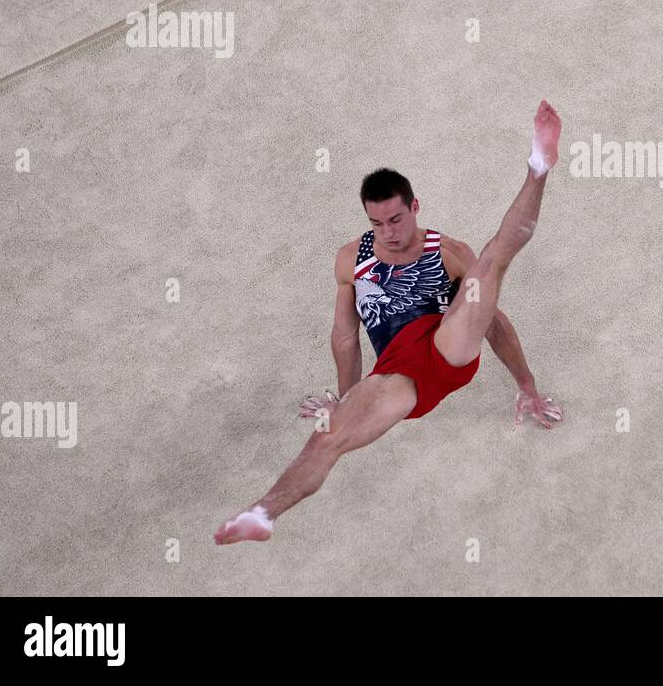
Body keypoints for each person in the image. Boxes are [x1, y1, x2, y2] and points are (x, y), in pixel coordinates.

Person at [213, 100, 563, 544]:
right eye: (377, 223)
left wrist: (527, 387)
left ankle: (538, 165)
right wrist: (345, 399)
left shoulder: (449, 252)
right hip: (398, 374)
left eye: (397, 219)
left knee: (493, 261)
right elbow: (344, 336)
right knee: (327, 440)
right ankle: (263, 512)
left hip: (447, 345)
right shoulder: (351, 261)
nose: (390, 231)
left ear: (415, 206)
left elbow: (492, 323)